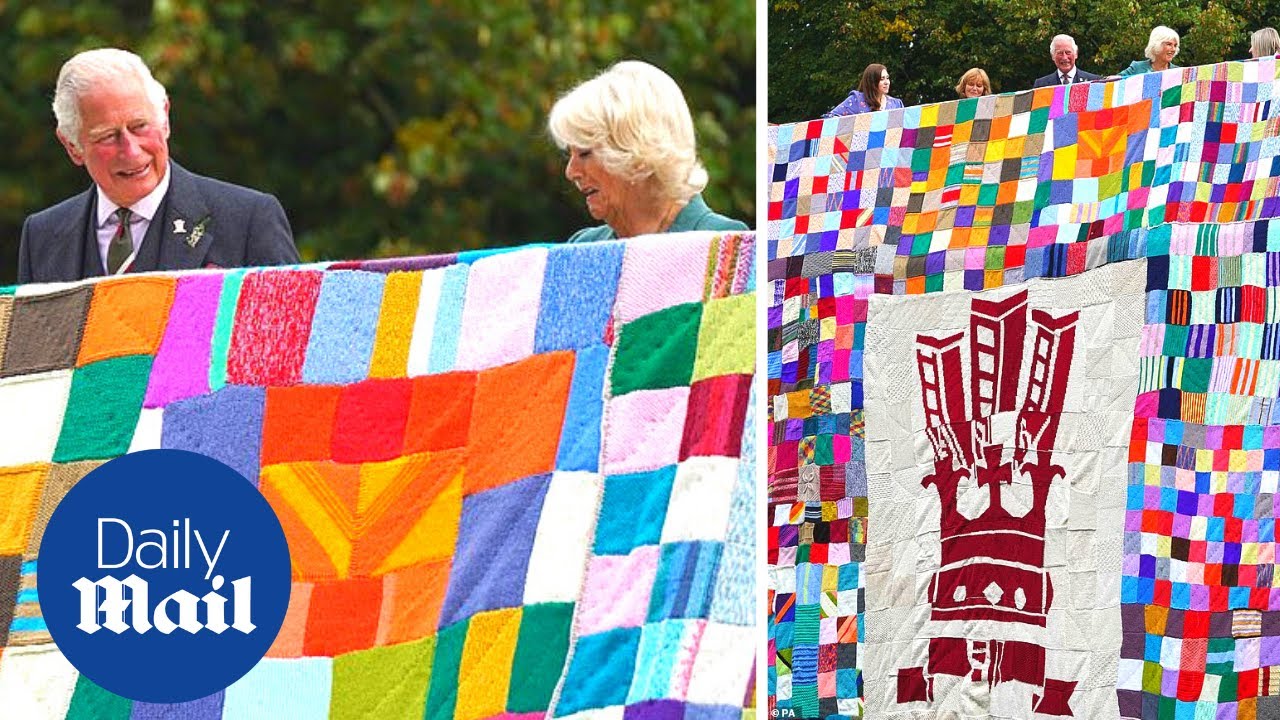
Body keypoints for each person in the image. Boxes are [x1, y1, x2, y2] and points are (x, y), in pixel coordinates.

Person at [17, 48, 298, 284]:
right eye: (107, 137)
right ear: (72, 146)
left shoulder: (248, 221)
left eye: (140, 126)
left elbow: (295, 341)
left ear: (164, 117)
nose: (131, 150)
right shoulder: (41, 237)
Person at [548, 60, 746, 243]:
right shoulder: (583, 249)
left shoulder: (723, 241)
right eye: (569, 154)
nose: (571, 171)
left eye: (584, 153)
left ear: (637, 151)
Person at [823, 64, 903, 117]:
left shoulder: (896, 104)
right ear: (872, 81)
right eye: (882, 79)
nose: (886, 82)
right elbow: (831, 119)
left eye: (887, 78)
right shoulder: (856, 100)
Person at [1032, 35, 1101, 87]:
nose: (1064, 57)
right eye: (1060, 53)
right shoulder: (1041, 85)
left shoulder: (1093, 81)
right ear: (1052, 56)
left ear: (1076, 54)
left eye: (1068, 53)